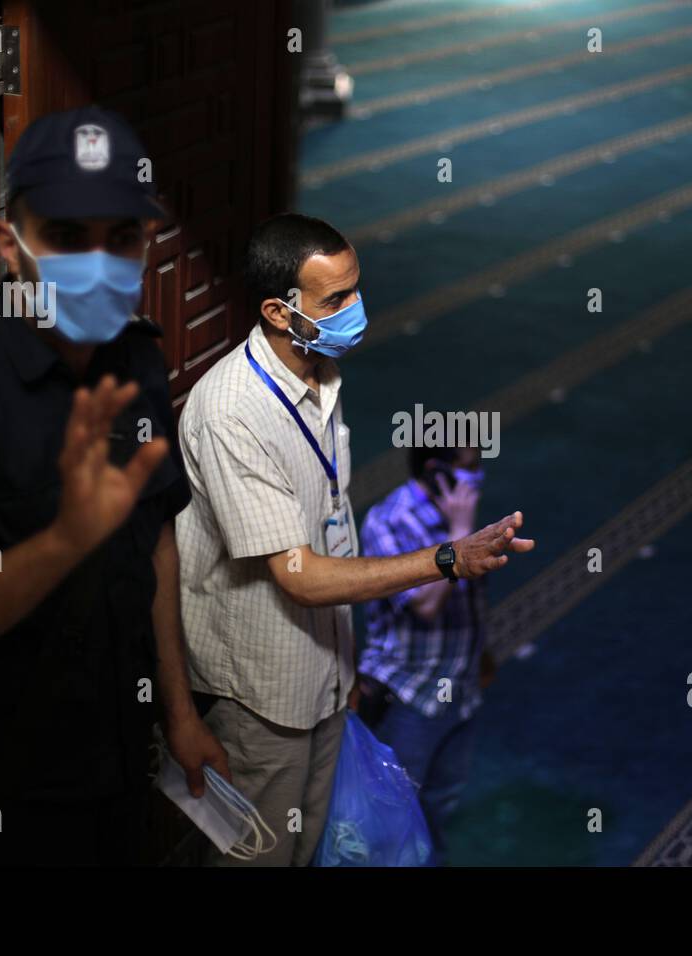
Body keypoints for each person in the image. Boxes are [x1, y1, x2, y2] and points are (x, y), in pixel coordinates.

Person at [0, 106, 228, 865]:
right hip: (6, 803)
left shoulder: (135, 364)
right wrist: (63, 542)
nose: (97, 264)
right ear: (11, 243)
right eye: (67, 238)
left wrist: (179, 711)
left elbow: (155, 536)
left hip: (124, 767)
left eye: (121, 239)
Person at [176, 213, 535, 866]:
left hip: (326, 679)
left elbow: (331, 525)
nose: (356, 309)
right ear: (279, 313)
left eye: (356, 289)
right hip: (264, 700)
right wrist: (446, 558)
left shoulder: (319, 374)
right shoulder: (233, 413)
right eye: (336, 299)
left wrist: (344, 667)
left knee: (314, 850)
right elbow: (300, 575)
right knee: (259, 859)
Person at [356, 445, 496, 864]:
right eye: (469, 469)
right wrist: (459, 535)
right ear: (437, 472)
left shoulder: (458, 517)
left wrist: (482, 655)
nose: (478, 478)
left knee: (440, 803)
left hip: (461, 690)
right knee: (393, 818)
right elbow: (426, 605)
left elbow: (472, 597)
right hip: (410, 697)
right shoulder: (389, 522)